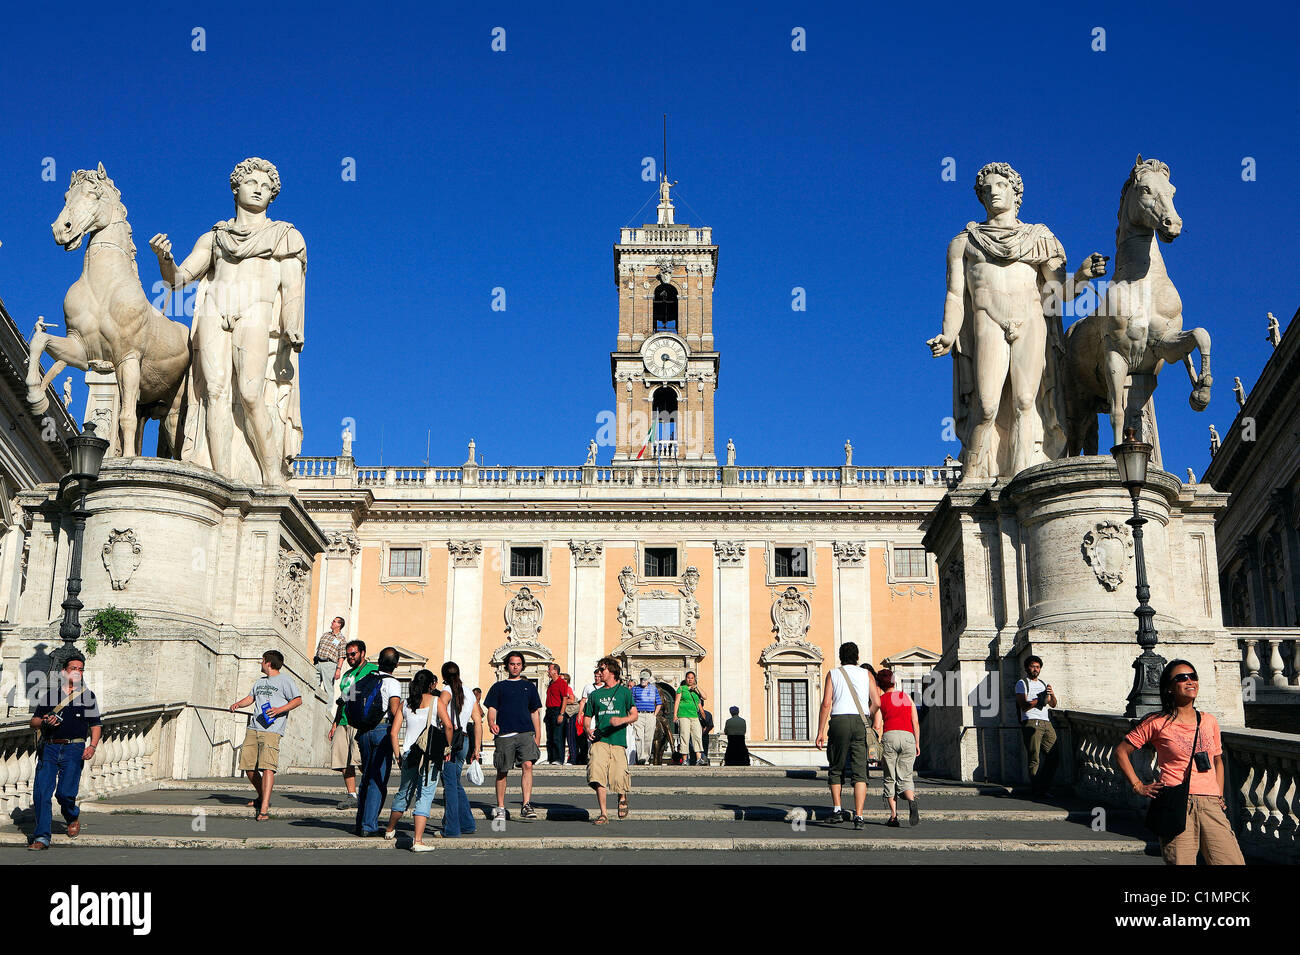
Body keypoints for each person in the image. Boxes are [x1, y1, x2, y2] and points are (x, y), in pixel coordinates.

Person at [1117, 660, 1245, 866]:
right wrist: (1138, 785)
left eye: (1193, 676)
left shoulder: (1209, 721)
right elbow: (1121, 752)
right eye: (1182, 678)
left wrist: (1219, 794)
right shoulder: (1157, 722)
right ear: (1169, 688)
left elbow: (1217, 760)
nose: (1190, 681)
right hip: (1175, 803)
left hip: (1210, 803)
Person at [27, 652, 101, 850]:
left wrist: (92, 746)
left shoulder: (87, 697)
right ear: (64, 672)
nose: (77, 672)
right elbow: (33, 722)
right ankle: (41, 837)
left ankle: (71, 816)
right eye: (73, 668)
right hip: (50, 747)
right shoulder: (51, 695)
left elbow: (95, 725)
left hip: (74, 748)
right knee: (42, 792)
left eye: (80, 669)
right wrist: (44, 721)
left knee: (65, 793)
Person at [229, 650, 302, 822]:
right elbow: (250, 698)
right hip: (254, 727)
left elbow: (297, 700)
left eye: (262, 661)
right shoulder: (260, 682)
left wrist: (279, 710)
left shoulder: (285, 680)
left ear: (268, 662)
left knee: (267, 767)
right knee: (248, 766)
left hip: (272, 730)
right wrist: (238, 704)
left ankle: (264, 808)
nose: (260, 664)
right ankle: (261, 795)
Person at [815, 642, 881, 830]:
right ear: (857, 657)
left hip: (839, 721)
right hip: (860, 722)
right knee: (860, 771)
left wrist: (820, 731)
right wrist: (866, 715)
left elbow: (826, 703)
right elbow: (877, 702)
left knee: (836, 767)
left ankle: (837, 810)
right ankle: (859, 816)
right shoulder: (867, 674)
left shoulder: (833, 674)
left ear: (840, 657)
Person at [384, 669, 448, 851]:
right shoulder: (436, 701)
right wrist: (448, 747)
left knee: (404, 792)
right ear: (431, 684)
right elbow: (449, 726)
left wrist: (398, 755)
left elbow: (393, 733)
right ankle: (418, 841)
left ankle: (389, 829)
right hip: (429, 755)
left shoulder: (405, 703)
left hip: (409, 754)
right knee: (425, 795)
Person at [484, 650, 543, 821]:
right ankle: (501, 807)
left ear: (522, 666)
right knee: (502, 771)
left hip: (525, 733)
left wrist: (538, 735)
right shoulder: (498, 687)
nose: (515, 667)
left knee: (528, 765)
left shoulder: (529, 687)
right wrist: (491, 723)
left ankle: (526, 804)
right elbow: (492, 709)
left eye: (518, 664)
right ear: (507, 666)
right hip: (504, 734)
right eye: (512, 664)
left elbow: (534, 712)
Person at [353, 647, 403, 836]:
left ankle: (360, 823)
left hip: (363, 731)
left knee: (366, 777)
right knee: (377, 779)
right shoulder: (393, 683)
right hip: (382, 730)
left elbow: (348, 700)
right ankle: (369, 826)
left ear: (379, 661)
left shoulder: (365, 679)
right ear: (396, 665)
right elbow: (394, 710)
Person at [584, 656, 637, 824]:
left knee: (619, 774)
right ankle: (603, 813)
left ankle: (622, 796)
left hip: (618, 740)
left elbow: (634, 715)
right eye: (599, 669)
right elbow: (587, 716)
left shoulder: (624, 692)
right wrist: (587, 729)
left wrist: (621, 720)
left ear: (612, 671)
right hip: (600, 740)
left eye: (602, 669)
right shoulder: (595, 694)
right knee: (597, 773)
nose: (599, 673)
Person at [328, 639, 375, 810]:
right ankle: (352, 795)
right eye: (347, 655)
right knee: (344, 760)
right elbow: (342, 700)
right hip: (343, 721)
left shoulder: (372, 670)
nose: (350, 657)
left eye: (353, 654)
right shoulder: (347, 674)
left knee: (360, 759)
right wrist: (335, 723)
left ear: (362, 653)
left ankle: (372, 790)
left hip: (360, 722)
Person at [439, 661, 480, 838]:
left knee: (449, 784)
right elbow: (478, 721)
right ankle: (467, 823)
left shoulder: (446, 691)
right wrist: (477, 748)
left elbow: (439, 710)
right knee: (455, 783)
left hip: (450, 740)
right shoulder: (469, 693)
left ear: (443, 676)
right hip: (464, 740)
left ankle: (452, 828)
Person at [876, 669, 921, 827]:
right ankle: (911, 800)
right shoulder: (906, 697)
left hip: (890, 736)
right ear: (894, 682)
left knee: (890, 778)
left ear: (880, 685)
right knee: (906, 776)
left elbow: (877, 725)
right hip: (908, 737)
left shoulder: (880, 700)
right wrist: (917, 743)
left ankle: (894, 817)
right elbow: (915, 722)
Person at [1015, 656, 1059, 795]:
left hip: (1046, 722)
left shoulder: (1042, 683)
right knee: (1034, 757)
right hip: (1031, 722)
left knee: (1054, 755)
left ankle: (1044, 786)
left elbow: (1053, 704)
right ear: (1027, 668)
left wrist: (1051, 694)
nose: (1035, 669)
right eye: (1033, 666)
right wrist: (1038, 700)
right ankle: (1037, 789)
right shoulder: (1022, 683)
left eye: (1038, 667)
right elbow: (1023, 706)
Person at [673, 670, 706, 765]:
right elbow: (677, 701)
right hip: (683, 715)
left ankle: (699, 758)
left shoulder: (696, 691)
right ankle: (685, 759)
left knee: (697, 736)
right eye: (688, 678)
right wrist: (675, 715)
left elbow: (705, 697)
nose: (690, 680)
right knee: (684, 736)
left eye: (692, 678)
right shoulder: (681, 689)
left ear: (694, 679)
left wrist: (697, 687)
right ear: (685, 679)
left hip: (694, 716)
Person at [543, 663, 573, 766]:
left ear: (555, 671)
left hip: (557, 710)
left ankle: (558, 759)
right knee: (550, 737)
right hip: (549, 711)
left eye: (549, 669)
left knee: (557, 736)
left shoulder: (561, 683)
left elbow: (564, 698)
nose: (548, 671)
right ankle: (550, 758)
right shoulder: (551, 683)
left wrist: (561, 713)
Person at [631, 670, 660, 766]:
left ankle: (646, 758)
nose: (643, 680)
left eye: (645, 679)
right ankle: (640, 758)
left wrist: (654, 714)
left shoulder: (654, 689)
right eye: (642, 679)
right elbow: (631, 703)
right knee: (639, 736)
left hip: (650, 715)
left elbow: (659, 703)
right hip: (638, 715)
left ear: (648, 680)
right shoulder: (634, 689)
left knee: (648, 737)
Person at [312, 616, 347, 691]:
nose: (332, 622)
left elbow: (342, 656)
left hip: (329, 665)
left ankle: (328, 700)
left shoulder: (341, 639)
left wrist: (338, 669)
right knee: (313, 686)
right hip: (318, 663)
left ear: (339, 625)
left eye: (334, 621)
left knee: (328, 689)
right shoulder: (325, 635)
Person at [561, 672, 582, 764]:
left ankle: (573, 758)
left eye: (563, 679)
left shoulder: (567, 689)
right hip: (566, 714)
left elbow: (572, 700)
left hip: (570, 714)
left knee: (570, 736)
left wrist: (561, 701)